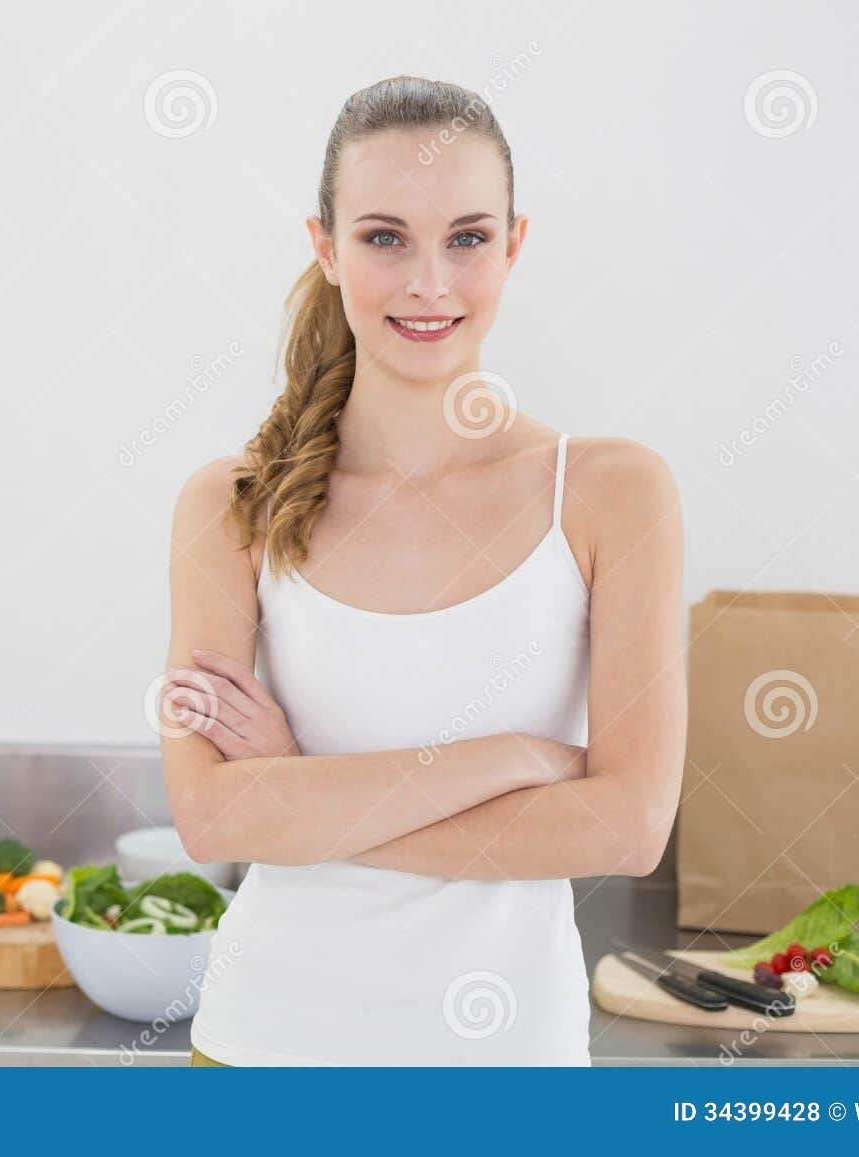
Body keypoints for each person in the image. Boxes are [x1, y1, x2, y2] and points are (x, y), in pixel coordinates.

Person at [160, 75, 686, 1066]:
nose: (428, 281)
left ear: (514, 244)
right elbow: (211, 814)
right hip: (263, 1049)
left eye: (468, 238)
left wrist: (301, 798)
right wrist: (510, 760)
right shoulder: (230, 506)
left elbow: (626, 829)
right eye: (384, 236)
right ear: (324, 244)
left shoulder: (614, 493)